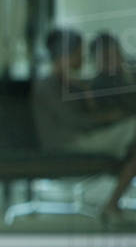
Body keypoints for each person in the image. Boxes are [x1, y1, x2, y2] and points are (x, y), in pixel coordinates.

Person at [33, 28, 136, 227]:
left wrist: (85, 92)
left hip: (85, 136)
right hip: (70, 140)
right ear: (66, 56)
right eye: (78, 54)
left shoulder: (71, 84)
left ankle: (112, 205)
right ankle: (112, 205)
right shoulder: (48, 86)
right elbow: (74, 121)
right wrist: (107, 118)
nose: (82, 59)